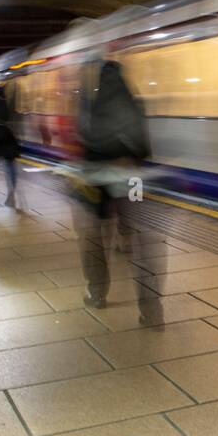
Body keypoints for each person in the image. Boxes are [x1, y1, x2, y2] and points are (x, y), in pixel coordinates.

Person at [76, 60, 152, 316]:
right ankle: (150, 307)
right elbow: (144, 148)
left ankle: (97, 293)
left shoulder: (92, 105)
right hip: (131, 177)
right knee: (142, 239)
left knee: (94, 237)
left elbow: (84, 140)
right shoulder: (134, 103)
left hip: (98, 178)